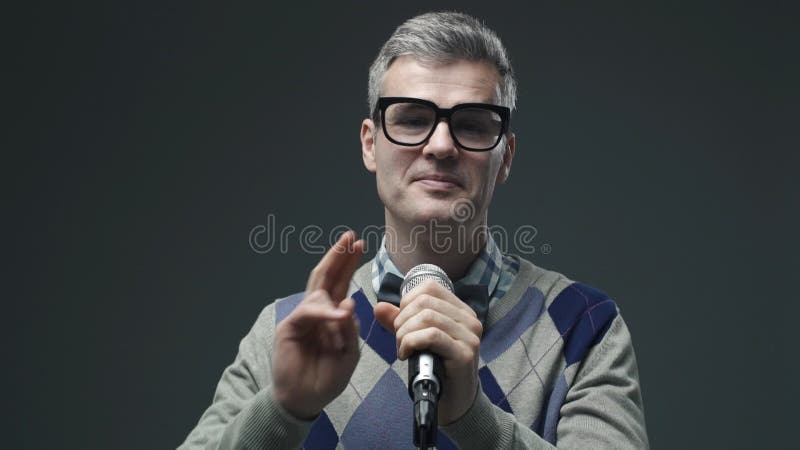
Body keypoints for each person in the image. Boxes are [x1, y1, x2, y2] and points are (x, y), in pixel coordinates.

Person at [180, 11, 648, 449]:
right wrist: (284, 408)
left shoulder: (583, 326)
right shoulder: (288, 332)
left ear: (504, 157)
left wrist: (472, 417)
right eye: (412, 119)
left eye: (471, 124)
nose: (441, 145)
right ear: (370, 145)